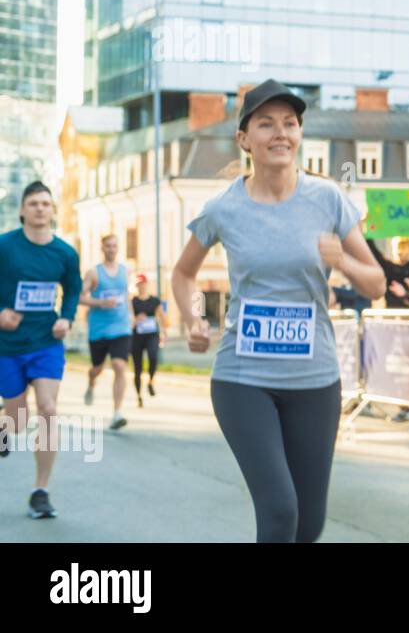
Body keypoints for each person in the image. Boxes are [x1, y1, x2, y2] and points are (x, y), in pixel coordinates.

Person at [171, 79, 385, 543]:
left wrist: (342, 260)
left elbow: (377, 282)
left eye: (289, 123)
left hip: (315, 381)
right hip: (242, 379)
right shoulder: (223, 209)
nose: (280, 133)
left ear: (300, 134)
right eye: (265, 124)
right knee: (280, 509)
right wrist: (193, 319)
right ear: (244, 139)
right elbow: (184, 273)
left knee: (308, 525)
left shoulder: (328, 199)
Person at [0, 181, 82, 519]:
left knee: (48, 409)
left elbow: (73, 289)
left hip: (47, 342)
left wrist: (66, 318)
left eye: (45, 203)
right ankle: (5, 428)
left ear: (53, 210)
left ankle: (41, 490)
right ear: (22, 210)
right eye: (33, 203)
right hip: (7, 346)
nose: (39, 208)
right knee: (18, 421)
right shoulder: (5, 247)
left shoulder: (64, 253)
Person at [80, 234, 133, 430]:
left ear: (118, 248)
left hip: (121, 327)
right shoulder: (94, 273)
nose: (111, 249)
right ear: (102, 248)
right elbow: (79, 298)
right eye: (108, 246)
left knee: (120, 366)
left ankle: (117, 413)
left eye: (114, 246)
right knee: (97, 368)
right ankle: (91, 381)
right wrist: (101, 302)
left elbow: (126, 296)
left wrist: (132, 316)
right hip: (99, 330)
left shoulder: (125, 271)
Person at [130, 274, 167, 408]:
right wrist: (136, 319)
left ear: (147, 284)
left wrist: (164, 332)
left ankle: (151, 381)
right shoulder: (133, 301)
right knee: (137, 368)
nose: (142, 286)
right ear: (136, 286)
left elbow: (162, 316)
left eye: (143, 283)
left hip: (152, 335)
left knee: (153, 357)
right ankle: (139, 396)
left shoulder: (154, 301)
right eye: (139, 284)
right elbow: (129, 320)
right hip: (137, 337)